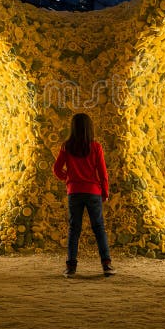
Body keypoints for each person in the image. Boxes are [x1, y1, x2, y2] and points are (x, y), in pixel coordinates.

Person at [53, 113, 115, 278]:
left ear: (72, 128)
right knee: (99, 229)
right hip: (93, 192)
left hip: (74, 192)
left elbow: (56, 169)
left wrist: (68, 178)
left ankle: (71, 267)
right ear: (89, 128)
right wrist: (105, 192)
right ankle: (106, 265)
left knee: (74, 229)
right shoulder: (96, 147)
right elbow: (103, 173)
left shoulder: (66, 147)